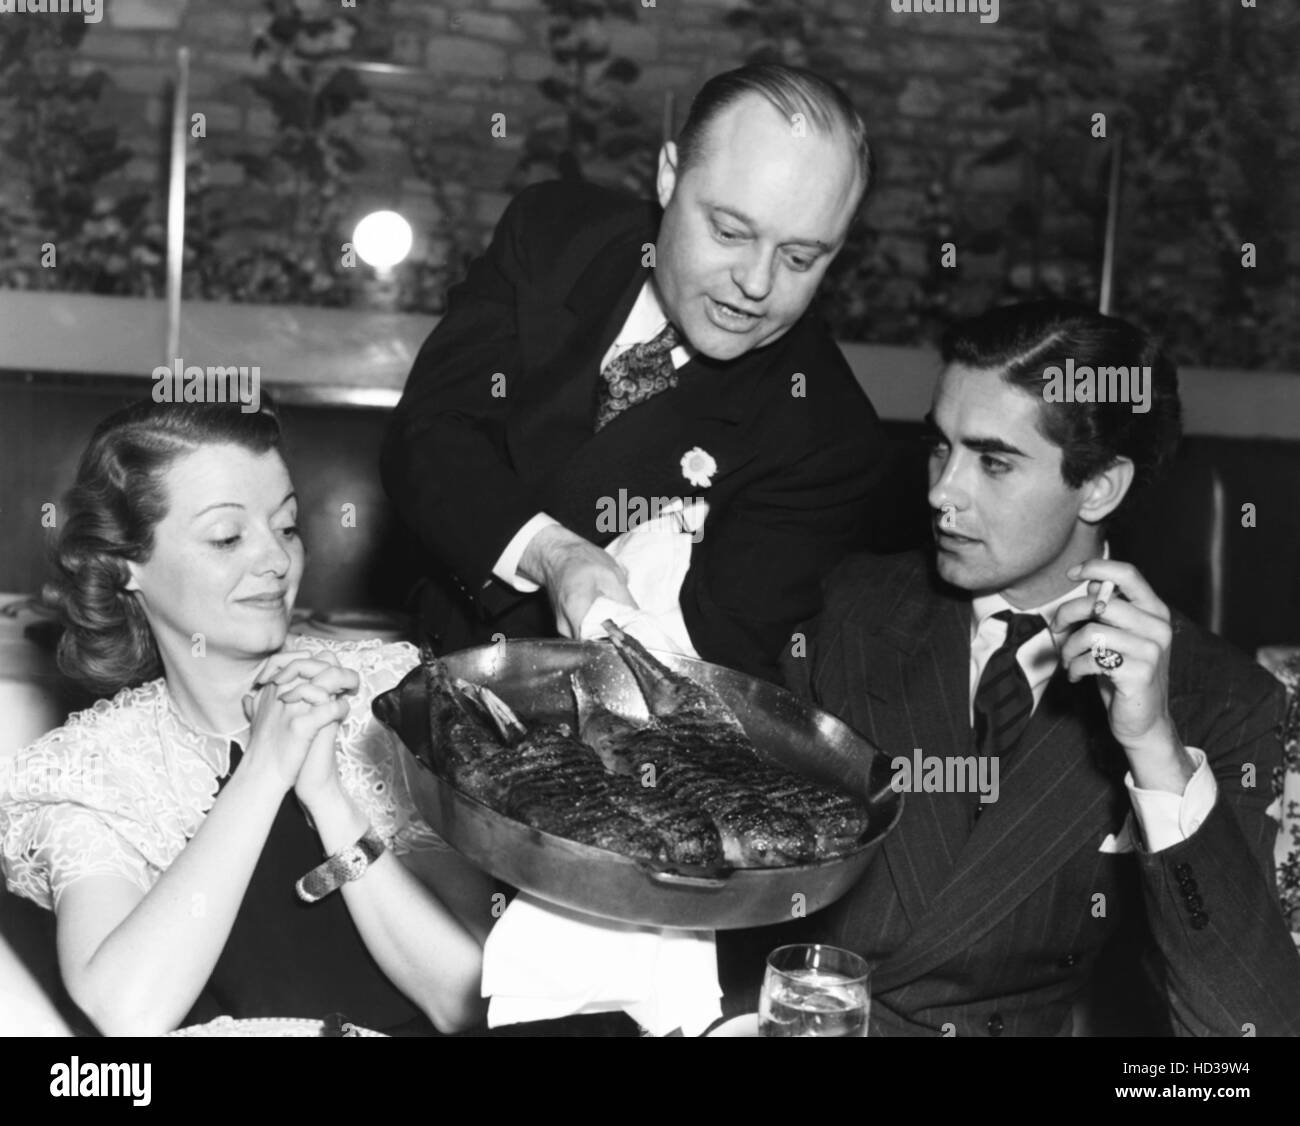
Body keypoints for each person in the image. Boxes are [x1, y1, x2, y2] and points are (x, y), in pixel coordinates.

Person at [740, 300, 1300, 1035]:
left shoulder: (1222, 701)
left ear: (1099, 486)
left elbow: (1243, 1042)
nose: (943, 492)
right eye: (940, 447)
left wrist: (1154, 751)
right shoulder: (849, 610)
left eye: (993, 462)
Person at [0, 402, 493, 1036]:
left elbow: (471, 1000)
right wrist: (263, 770)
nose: (277, 561)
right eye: (228, 537)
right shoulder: (91, 772)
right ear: (126, 565)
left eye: (286, 527)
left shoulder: (389, 698)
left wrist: (331, 803)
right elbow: (127, 1012)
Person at [381, 64, 885, 683]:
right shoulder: (555, 235)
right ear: (669, 176)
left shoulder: (830, 437)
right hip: (426, 660)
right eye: (729, 231)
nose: (756, 284)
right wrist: (554, 554)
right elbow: (430, 435)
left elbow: (696, 679)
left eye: (800, 257)